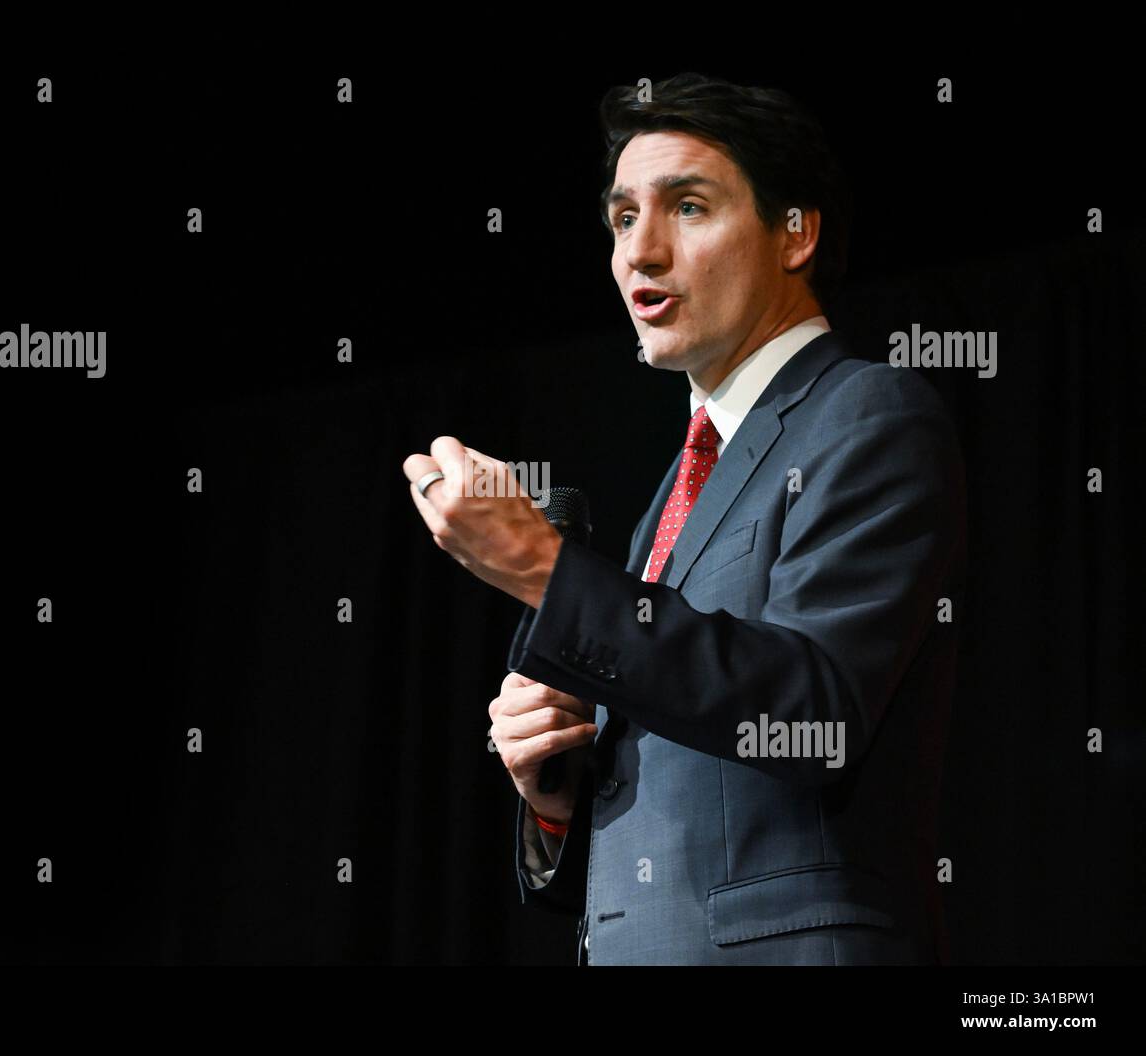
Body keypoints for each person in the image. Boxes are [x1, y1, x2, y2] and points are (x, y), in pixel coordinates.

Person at [402, 72, 966, 965]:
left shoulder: (870, 413)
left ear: (795, 233)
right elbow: (692, 775)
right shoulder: (682, 481)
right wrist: (557, 794)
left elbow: (813, 715)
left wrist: (543, 570)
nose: (640, 253)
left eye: (689, 207)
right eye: (623, 218)